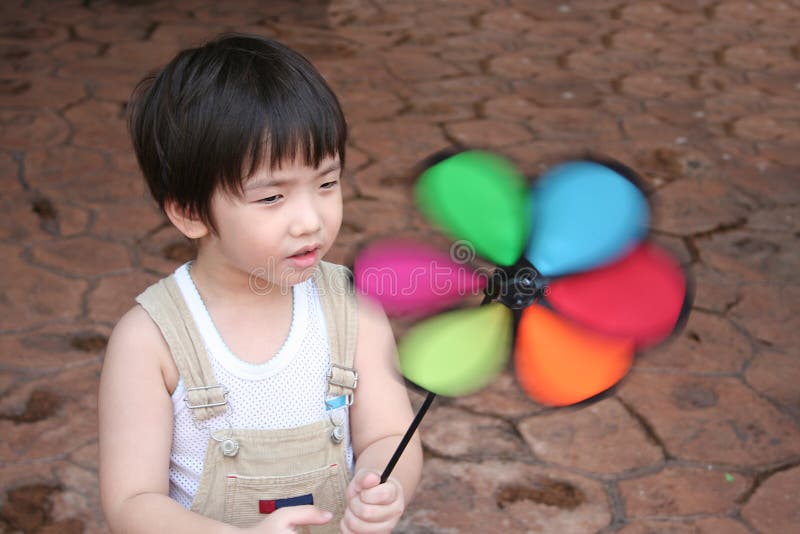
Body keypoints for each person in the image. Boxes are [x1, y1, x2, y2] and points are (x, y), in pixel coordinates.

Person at [98, 34, 422, 534]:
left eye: (327, 183)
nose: (309, 220)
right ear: (189, 212)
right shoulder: (151, 339)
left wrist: (388, 482)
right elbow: (132, 503)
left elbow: (390, 432)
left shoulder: (353, 310)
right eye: (272, 197)